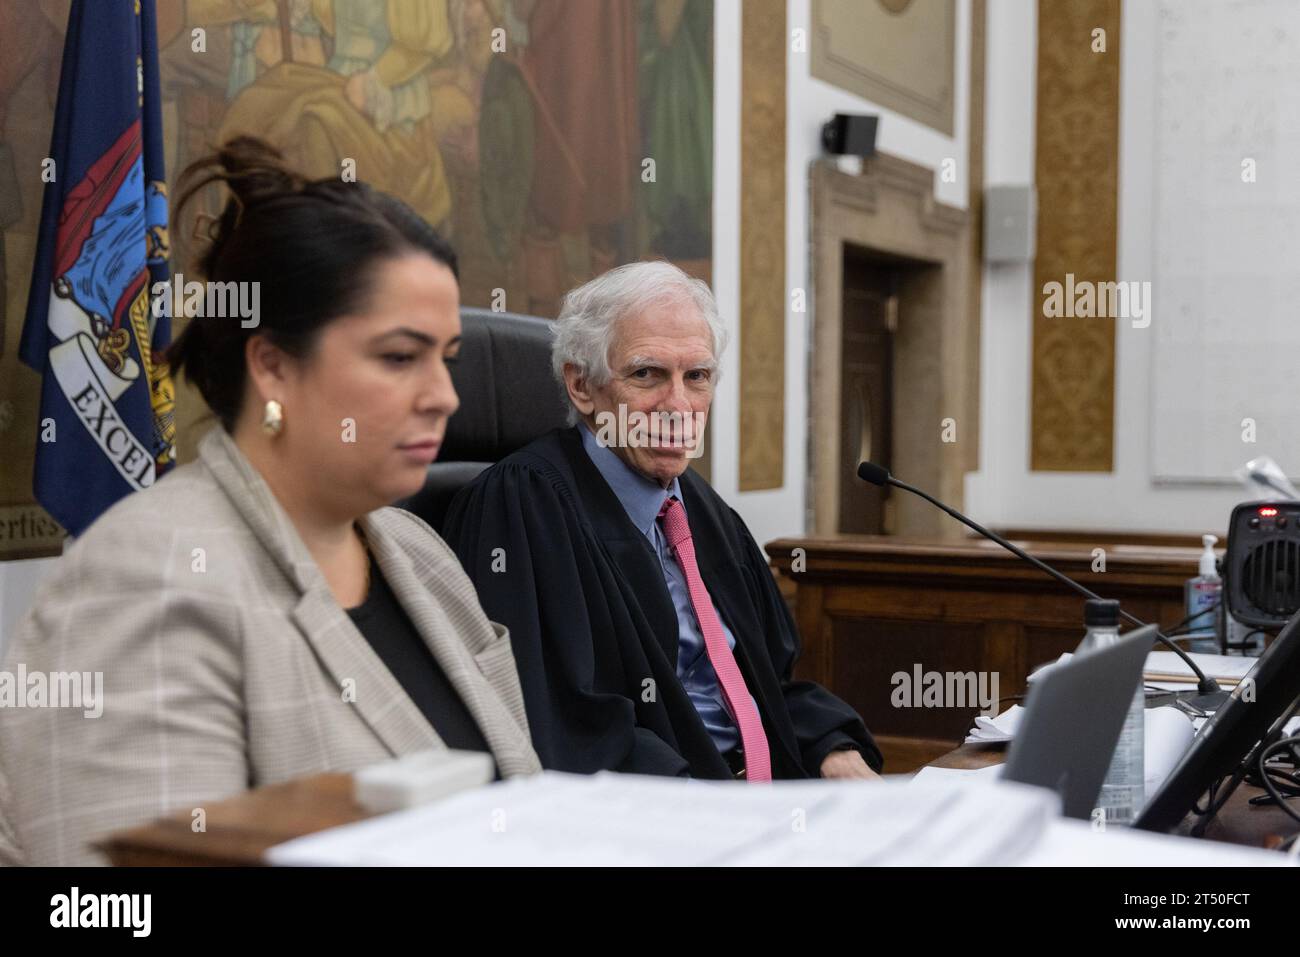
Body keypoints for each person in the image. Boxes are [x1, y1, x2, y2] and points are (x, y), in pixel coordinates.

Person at [0, 136, 540, 866]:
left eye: (446, 359)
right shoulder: (145, 582)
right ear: (275, 364)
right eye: (399, 357)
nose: (444, 396)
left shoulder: (422, 555)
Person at [443, 261, 883, 781]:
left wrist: (831, 748)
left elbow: (762, 683)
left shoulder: (700, 507)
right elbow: (562, 728)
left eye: (696, 376)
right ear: (583, 386)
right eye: (646, 374)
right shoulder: (522, 506)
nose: (678, 406)